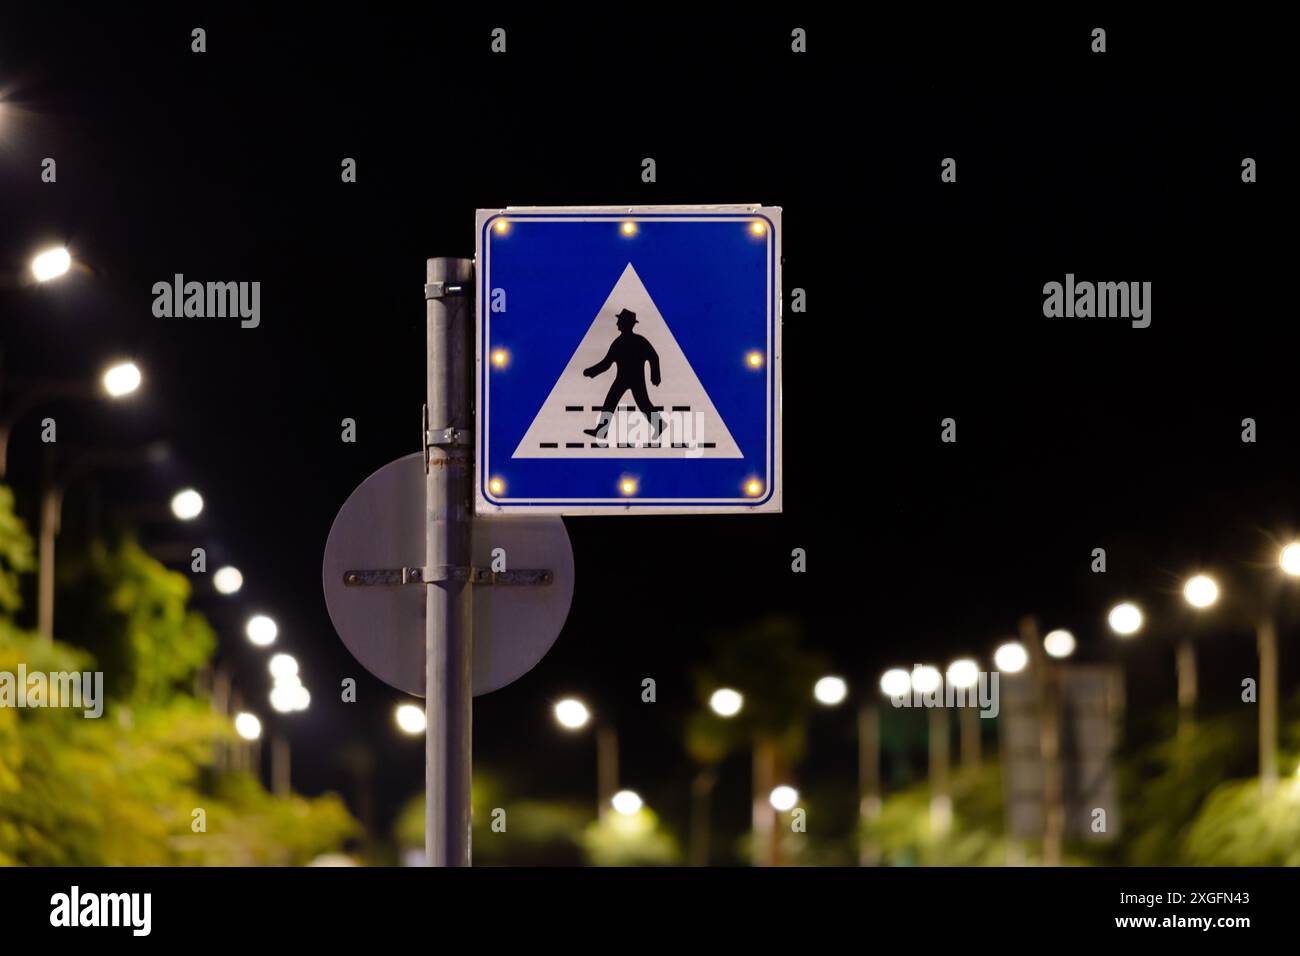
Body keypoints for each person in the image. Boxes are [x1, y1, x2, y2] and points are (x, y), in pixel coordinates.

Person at [582, 308, 664, 440]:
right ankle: (602, 431)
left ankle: (659, 424)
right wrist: (591, 371)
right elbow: (607, 363)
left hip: (633, 379)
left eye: (619, 320)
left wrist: (655, 376)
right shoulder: (623, 342)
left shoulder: (632, 341)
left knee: (642, 403)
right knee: (613, 402)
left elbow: (654, 357)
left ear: (626, 323)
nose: (617, 323)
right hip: (625, 379)